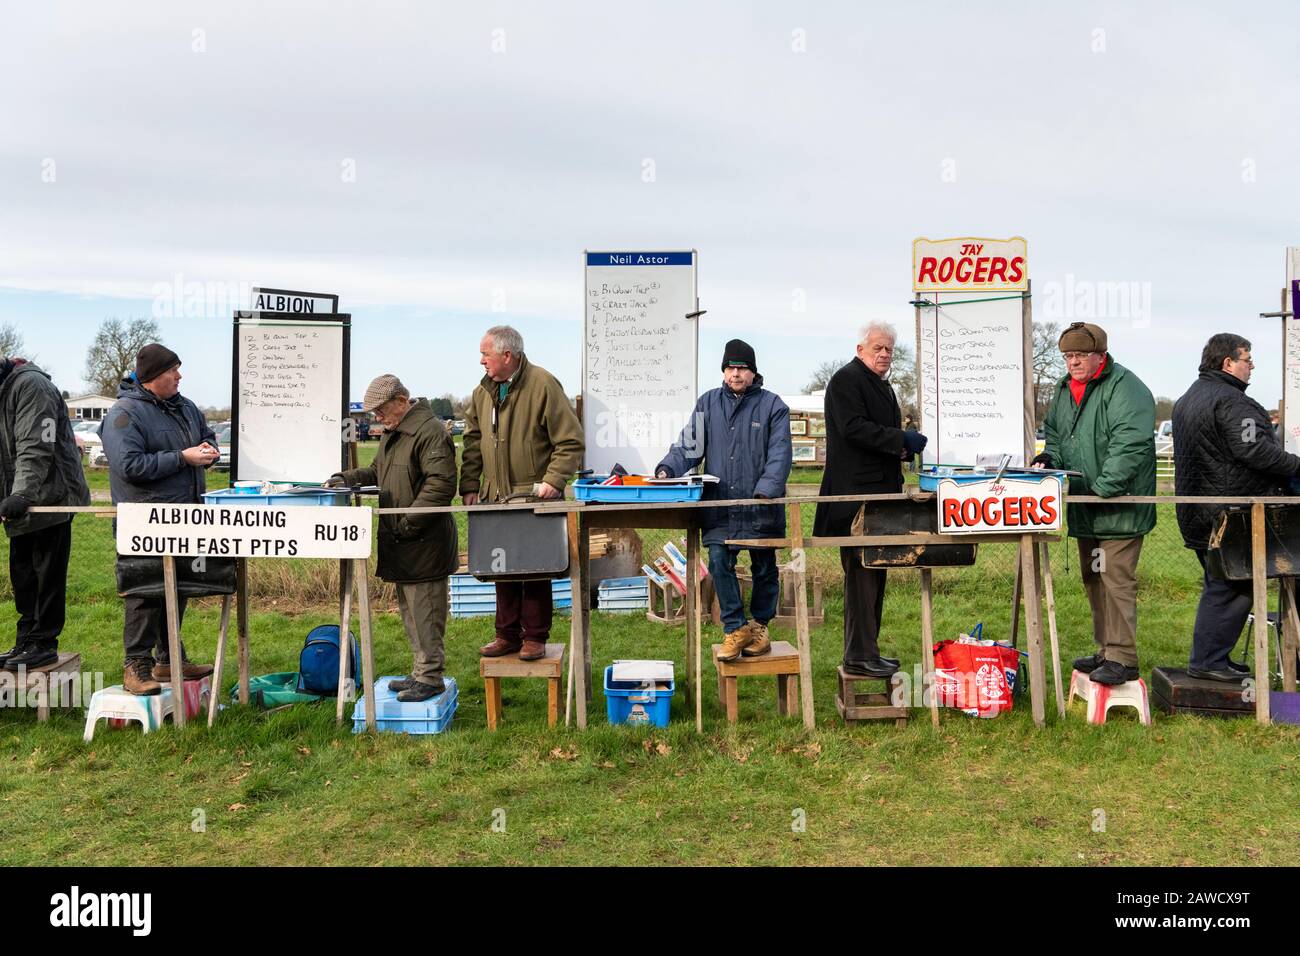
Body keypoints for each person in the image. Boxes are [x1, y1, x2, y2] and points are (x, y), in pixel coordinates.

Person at [1033, 322, 1156, 686]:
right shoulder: (1063, 388)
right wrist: (1048, 458)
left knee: (1116, 578)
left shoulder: (1126, 387)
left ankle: (1124, 658)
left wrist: (1103, 488)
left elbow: (1130, 443)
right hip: (1086, 503)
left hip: (1119, 506)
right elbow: (1055, 433)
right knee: (1093, 577)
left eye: (1080, 356)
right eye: (1068, 356)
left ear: (1100, 355)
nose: (1073, 362)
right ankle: (1106, 649)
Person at [1172, 333, 1300, 681]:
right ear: (1228, 363)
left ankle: (1213, 658)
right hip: (1232, 513)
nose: (1252, 365)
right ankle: (1209, 662)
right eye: (1247, 359)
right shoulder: (1232, 402)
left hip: (1196, 510)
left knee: (1220, 583)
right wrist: (1296, 465)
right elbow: (1255, 450)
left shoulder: (1188, 399)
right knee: (1232, 586)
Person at [656, 339, 792, 661]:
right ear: (723, 370)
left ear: (753, 372)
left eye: (742, 368)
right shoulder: (708, 404)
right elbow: (688, 447)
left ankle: (759, 626)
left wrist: (767, 490)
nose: (736, 373)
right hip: (720, 507)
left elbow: (780, 453)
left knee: (764, 567)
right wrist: (666, 469)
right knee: (719, 562)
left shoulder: (773, 406)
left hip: (761, 506)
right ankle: (735, 627)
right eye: (730, 367)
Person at [327, 375, 458, 701]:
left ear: (402, 400)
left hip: (423, 542)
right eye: (373, 413)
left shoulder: (429, 432)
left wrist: (408, 524)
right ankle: (420, 672)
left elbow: (440, 485)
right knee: (411, 612)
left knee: (425, 612)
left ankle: (430, 678)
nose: (377, 418)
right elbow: (377, 472)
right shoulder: (394, 434)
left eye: (381, 410)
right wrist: (346, 478)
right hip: (404, 541)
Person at [100, 344, 218, 695]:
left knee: (176, 588)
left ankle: (168, 659)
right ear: (152, 377)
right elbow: (129, 466)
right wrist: (182, 458)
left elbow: (205, 436)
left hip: (184, 519)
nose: (179, 377)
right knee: (144, 592)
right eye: (173, 371)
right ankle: (136, 665)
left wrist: (208, 451)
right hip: (144, 524)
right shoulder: (125, 413)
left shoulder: (186, 407)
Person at [461, 326, 584, 661]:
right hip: (495, 497)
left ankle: (535, 638)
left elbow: (570, 440)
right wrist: (470, 484)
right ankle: (506, 636)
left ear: (507, 355)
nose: (481, 360)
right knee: (502, 566)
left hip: (534, 497)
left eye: (486, 354)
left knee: (534, 568)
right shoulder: (482, 392)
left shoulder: (543, 384)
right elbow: (472, 442)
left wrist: (554, 479)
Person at [814, 322, 926, 678]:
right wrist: (900, 440)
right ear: (861, 348)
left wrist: (902, 450)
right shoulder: (847, 379)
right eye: (877, 348)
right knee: (861, 576)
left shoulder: (881, 385)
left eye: (889, 349)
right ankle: (858, 655)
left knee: (874, 575)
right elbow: (853, 429)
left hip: (879, 496)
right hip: (855, 498)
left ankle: (867, 651)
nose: (884, 355)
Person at [0, 356, 90, 671]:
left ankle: (43, 643)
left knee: (46, 573)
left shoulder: (30, 386)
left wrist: (21, 493)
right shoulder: (4, 389)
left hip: (51, 496)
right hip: (22, 498)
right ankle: (26, 640)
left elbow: (35, 445)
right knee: (22, 573)